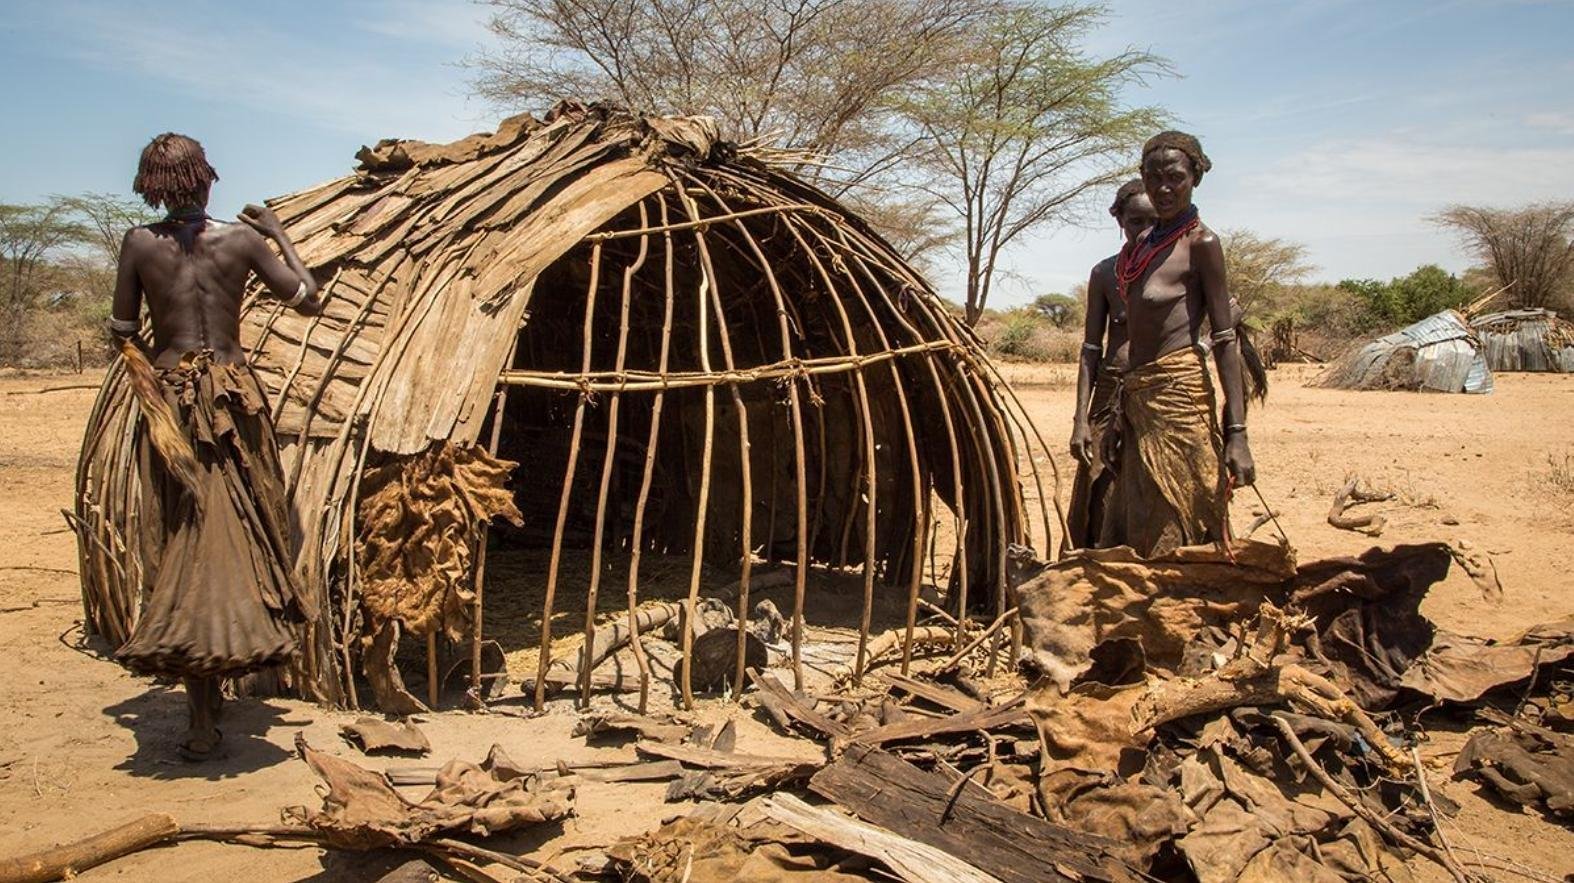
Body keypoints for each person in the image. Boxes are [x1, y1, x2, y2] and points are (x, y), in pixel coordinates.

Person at [108, 132, 322, 759]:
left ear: (151, 186)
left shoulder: (139, 244)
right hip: (234, 404)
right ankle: (229, 669)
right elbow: (306, 299)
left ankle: (202, 714)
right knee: (246, 531)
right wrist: (279, 231)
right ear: (206, 181)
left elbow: (122, 329)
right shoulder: (243, 239)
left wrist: (161, 375)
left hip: (173, 406)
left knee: (185, 535)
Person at [1097, 131, 1256, 557]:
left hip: (1179, 401)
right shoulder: (1143, 249)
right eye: (1154, 177)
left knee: (1183, 512)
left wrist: (1237, 433)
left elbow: (1224, 339)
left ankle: (1190, 611)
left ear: (1195, 178)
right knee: (1137, 516)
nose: (1164, 188)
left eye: (1175, 177)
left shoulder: (1201, 244)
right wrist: (1117, 415)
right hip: (1137, 400)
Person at [1067, 179, 1156, 548]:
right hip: (1110, 390)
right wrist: (1081, 420)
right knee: (1098, 479)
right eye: (1136, 221)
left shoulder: (1181, 270)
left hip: (1160, 391)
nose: (1146, 231)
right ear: (1118, 219)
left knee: (1156, 484)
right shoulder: (1105, 274)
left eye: (1155, 222)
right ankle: (1093, 565)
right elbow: (1091, 347)